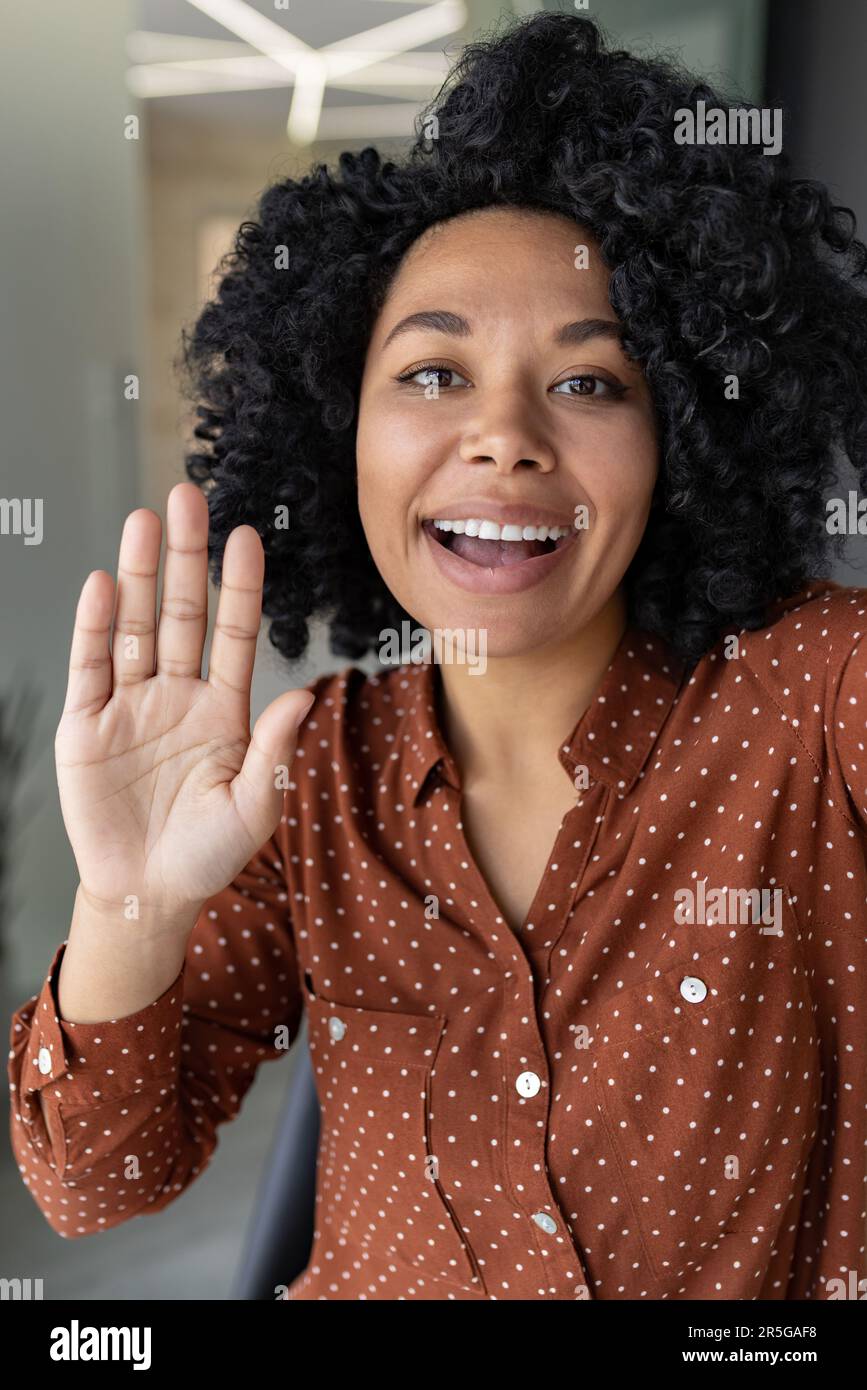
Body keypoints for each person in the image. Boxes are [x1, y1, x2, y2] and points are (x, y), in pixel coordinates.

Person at [9, 11, 867, 1301]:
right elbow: (97, 1185)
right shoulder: (303, 779)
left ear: (683, 437)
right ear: (337, 430)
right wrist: (130, 901)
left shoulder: (817, 698)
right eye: (431, 374)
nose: (504, 437)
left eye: (589, 385)